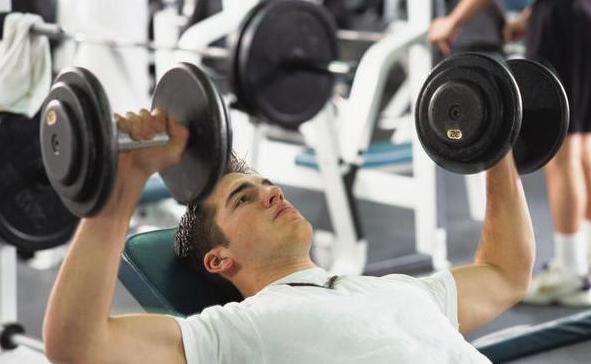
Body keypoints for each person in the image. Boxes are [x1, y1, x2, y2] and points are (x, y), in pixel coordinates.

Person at [42, 109, 534, 363]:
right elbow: (77, 344)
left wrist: (495, 141)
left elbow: (505, 272)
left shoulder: (394, 289)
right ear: (218, 259)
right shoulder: (237, 331)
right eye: (243, 199)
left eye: (266, 185)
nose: (271, 193)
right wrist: (124, 185)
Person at [429, 0, 591, 306]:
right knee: (583, 141)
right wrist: (531, 15)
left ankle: (571, 274)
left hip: (559, 18)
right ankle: (582, 262)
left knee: (563, 149)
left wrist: (452, 22)